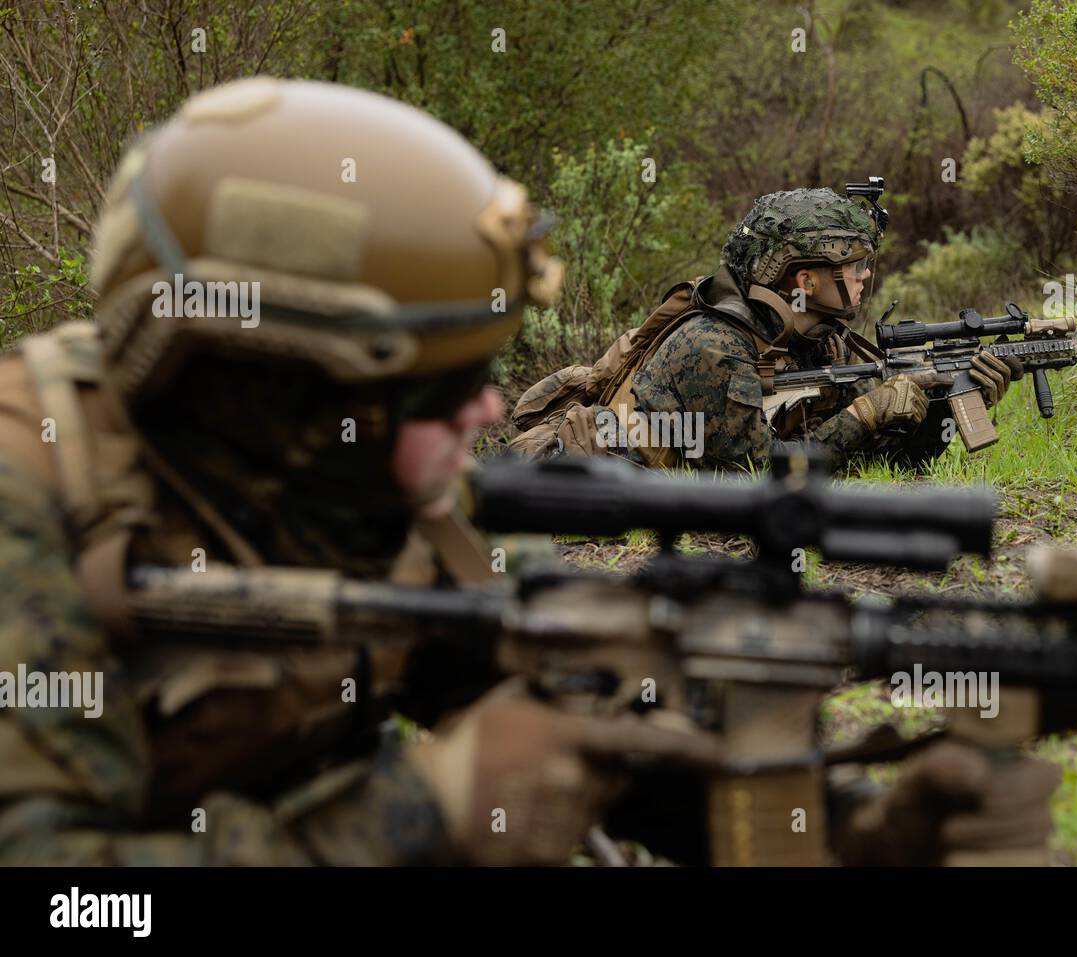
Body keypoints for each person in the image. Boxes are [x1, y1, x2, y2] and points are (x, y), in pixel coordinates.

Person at [0, 77, 721, 866]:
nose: (488, 409)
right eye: (445, 387)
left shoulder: (364, 484)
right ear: (287, 393)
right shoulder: (29, 488)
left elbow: (534, 653)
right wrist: (426, 809)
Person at [509, 187, 1019, 471]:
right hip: (573, 481)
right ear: (805, 278)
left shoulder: (822, 339)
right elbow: (754, 474)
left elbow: (888, 463)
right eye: (857, 264)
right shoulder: (712, 345)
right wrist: (865, 413)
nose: (867, 276)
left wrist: (939, 408)